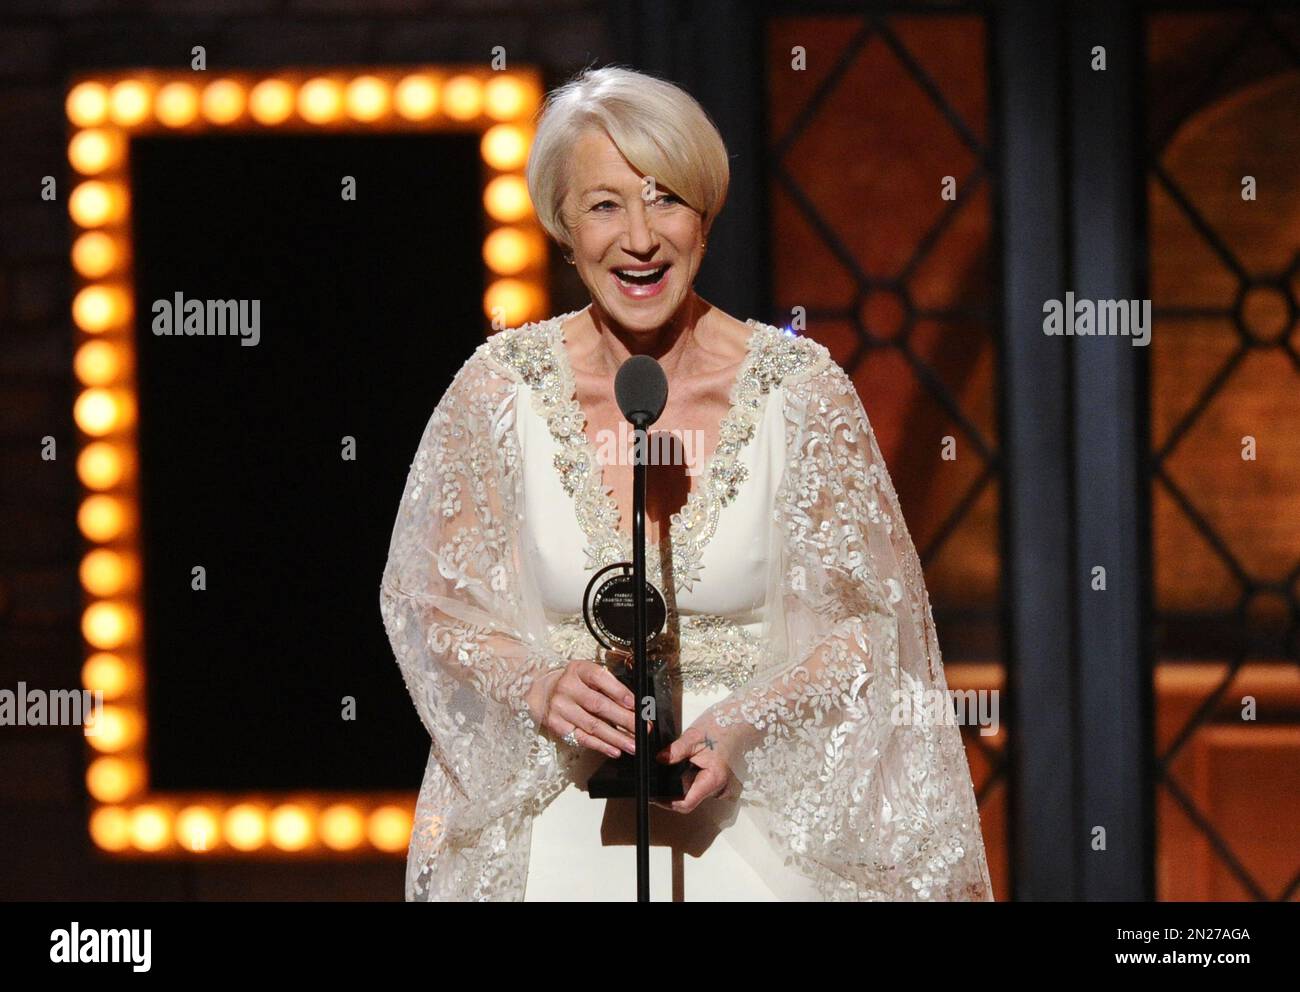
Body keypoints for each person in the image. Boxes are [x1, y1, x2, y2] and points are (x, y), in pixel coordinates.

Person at [379, 65, 994, 901]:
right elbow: (430, 601)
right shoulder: (499, 387)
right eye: (604, 205)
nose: (639, 237)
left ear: (706, 213)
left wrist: (744, 726)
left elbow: (869, 626)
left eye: (665, 197)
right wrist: (537, 683)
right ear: (563, 224)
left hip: (753, 828)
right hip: (560, 834)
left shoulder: (801, 388)